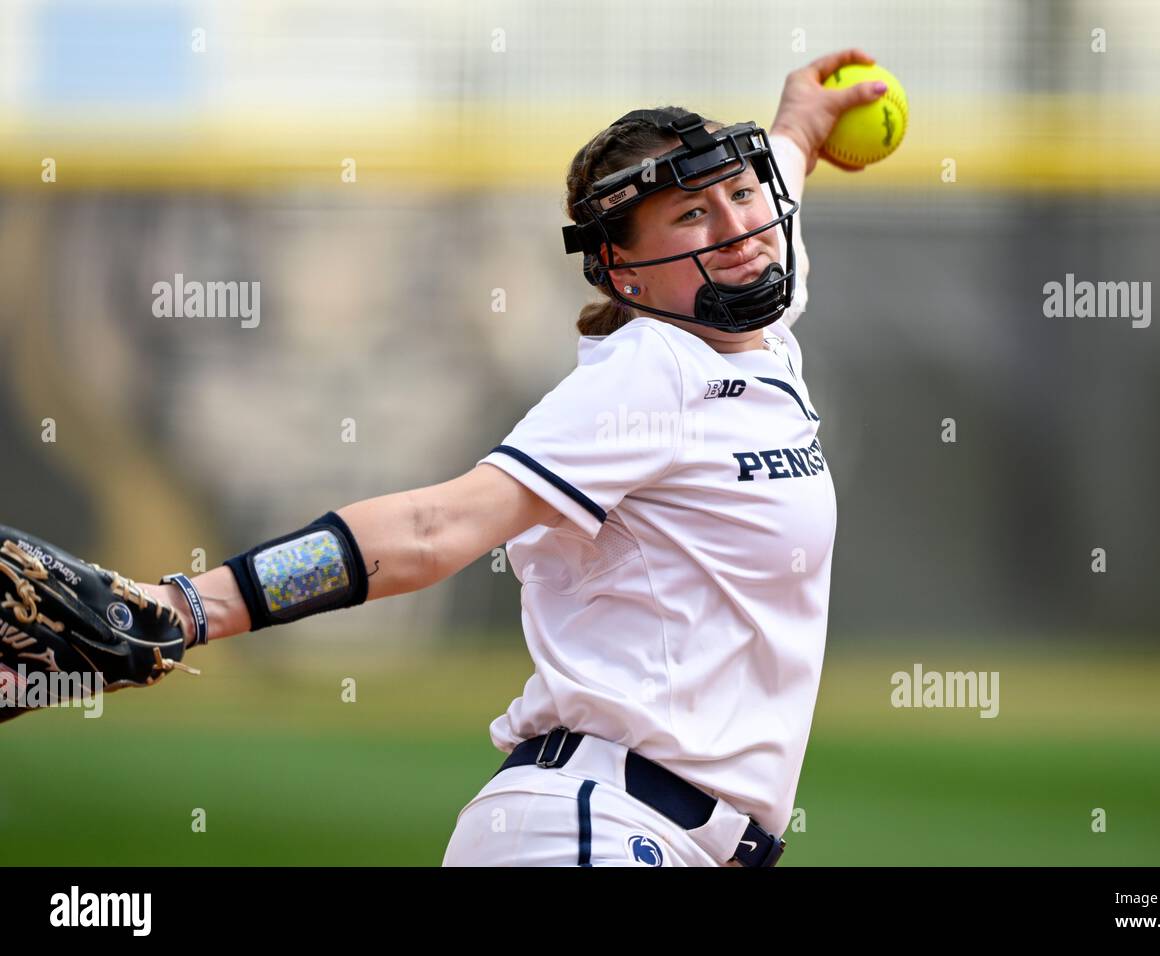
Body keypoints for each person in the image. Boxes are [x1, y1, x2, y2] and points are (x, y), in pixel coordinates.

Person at [137, 48, 887, 866]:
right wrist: (193, 607)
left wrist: (796, 133)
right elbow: (434, 528)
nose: (739, 228)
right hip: (591, 832)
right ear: (624, 271)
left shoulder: (760, 339)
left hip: (662, 836)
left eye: (743, 194)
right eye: (690, 216)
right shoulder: (654, 371)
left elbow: (763, 223)